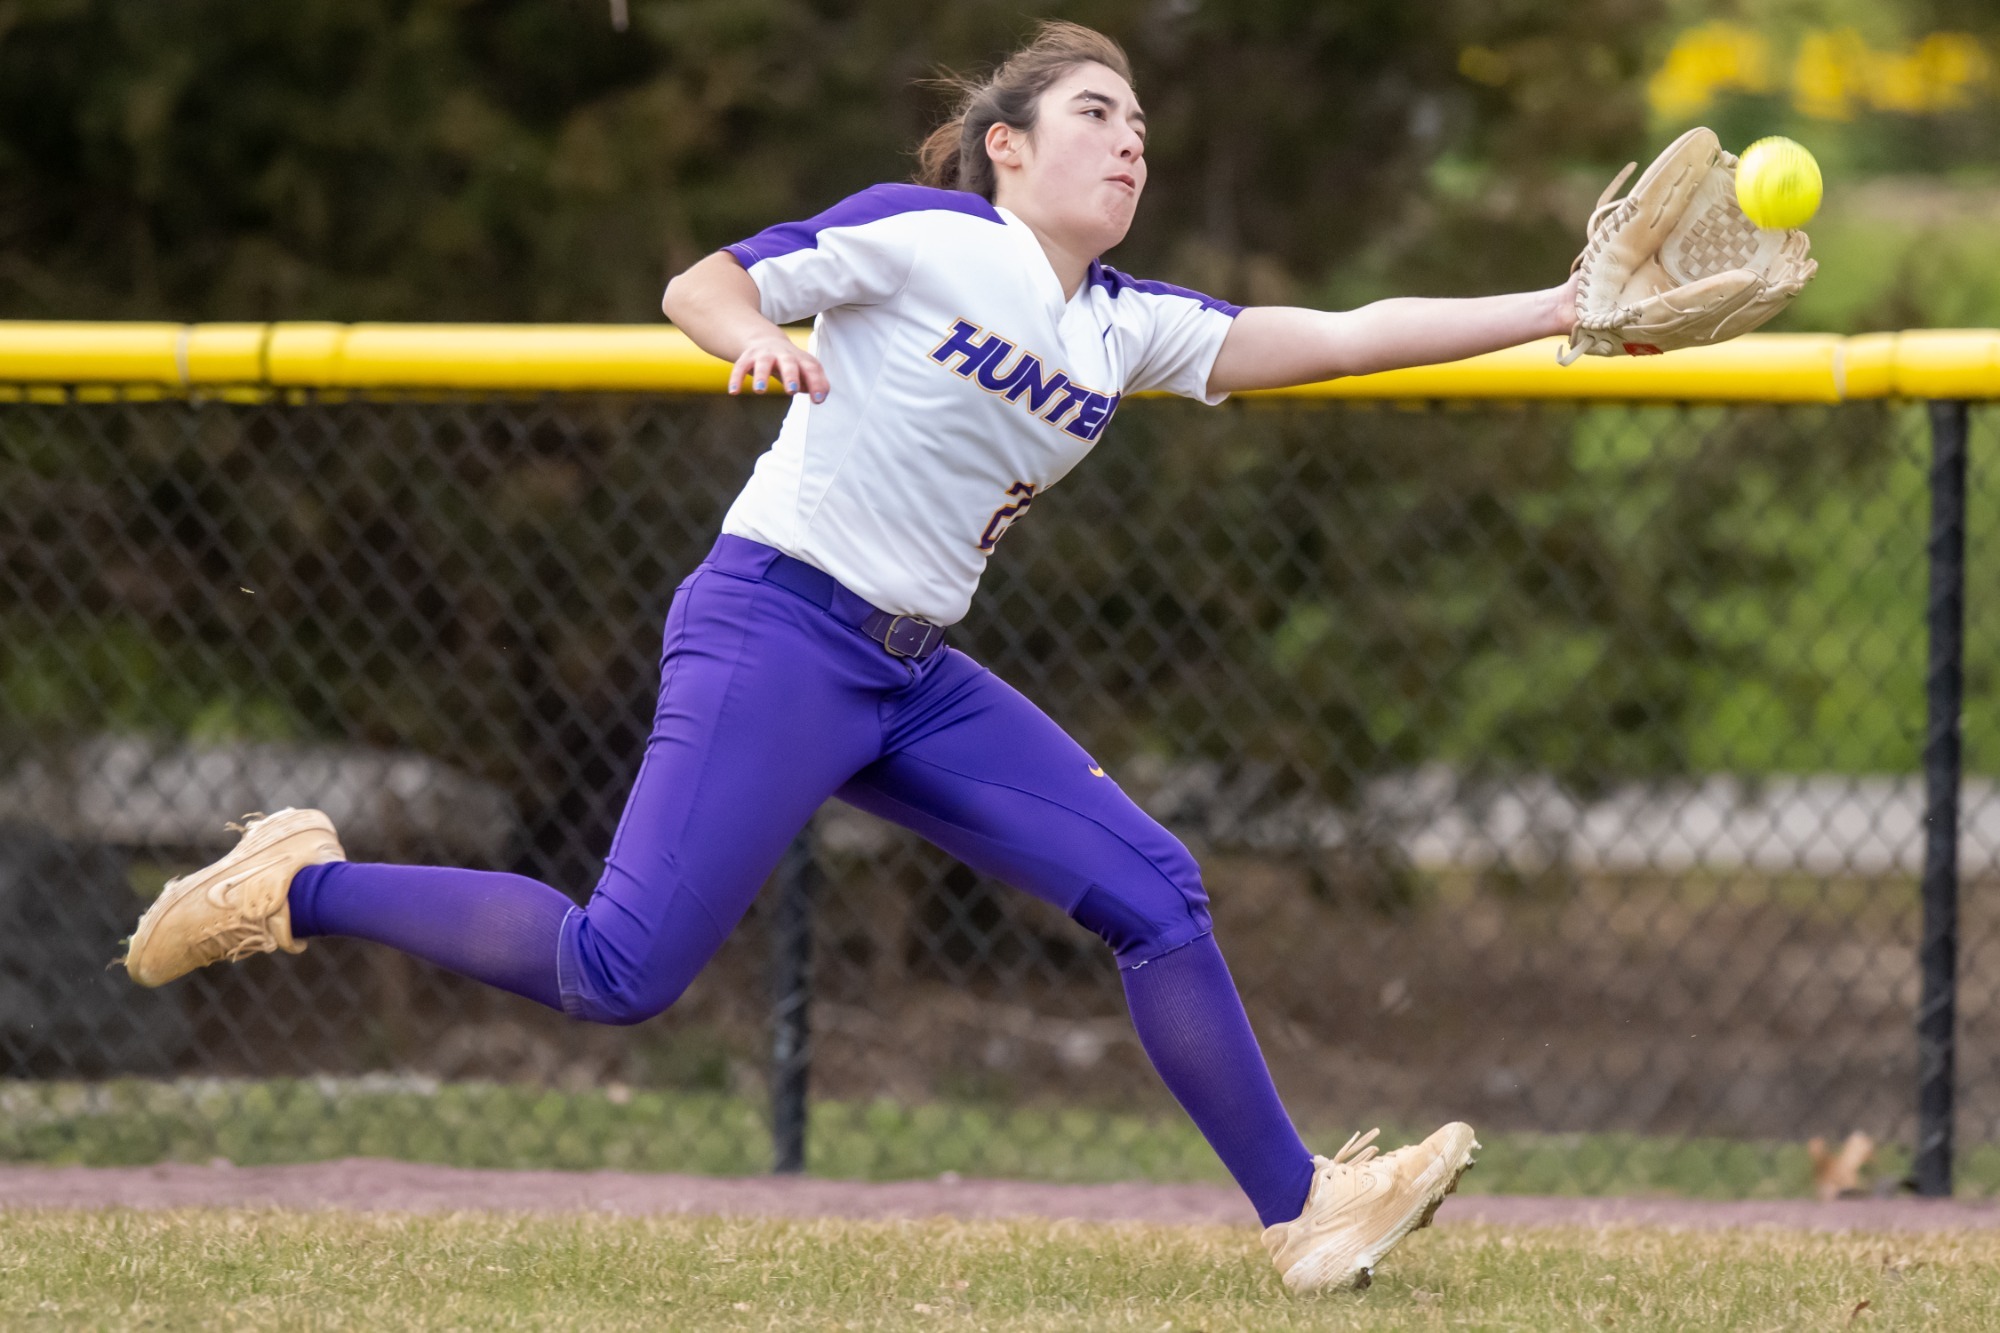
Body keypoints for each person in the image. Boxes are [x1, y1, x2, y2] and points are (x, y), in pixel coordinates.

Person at [125, 21, 1580, 1293]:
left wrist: (1564, 310)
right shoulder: (930, 233)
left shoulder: (1120, 324)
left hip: (908, 674)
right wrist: (750, 330)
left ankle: (1304, 1212)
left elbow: (1333, 336)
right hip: (776, 623)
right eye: (1095, 115)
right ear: (1004, 148)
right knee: (618, 966)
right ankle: (295, 886)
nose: (1130, 142)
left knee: (1156, 892)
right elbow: (698, 283)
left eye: (1141, 125)